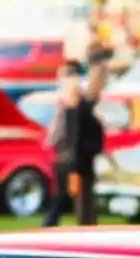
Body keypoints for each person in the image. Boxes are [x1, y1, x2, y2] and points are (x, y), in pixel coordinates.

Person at [42, 52, 108, 228]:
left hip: (72, 161)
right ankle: (78, 227)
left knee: (68, 198)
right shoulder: (77, 113)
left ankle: (53, 224)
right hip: (76, 163)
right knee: (78, 200)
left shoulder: (75, 111)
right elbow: (74, 139)